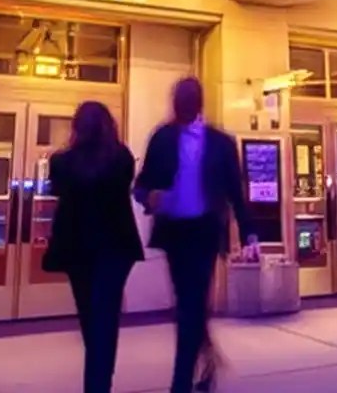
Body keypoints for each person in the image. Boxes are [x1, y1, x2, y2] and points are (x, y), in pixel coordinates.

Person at [134, 77, 258, 393]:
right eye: (180, 99)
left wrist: (250, 234)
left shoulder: (221, 143)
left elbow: (236, 192)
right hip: (175, 232)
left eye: (188, 99)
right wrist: (151, 198)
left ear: (198, 102)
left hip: (205, 232)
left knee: (190, 304)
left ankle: (181, 383)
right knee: (190, 305)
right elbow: (142, 184)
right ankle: (206, 364)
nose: (183, 104)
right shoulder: (162, 138)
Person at [42, 102, 145, 393]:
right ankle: (100, 382)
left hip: (77, 248)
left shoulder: (62, 162)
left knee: (89, 314)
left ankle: (98, 381)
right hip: (116, 247)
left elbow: (57, 190)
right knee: (106, 315)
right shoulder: (121, 158)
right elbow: (123, 187)